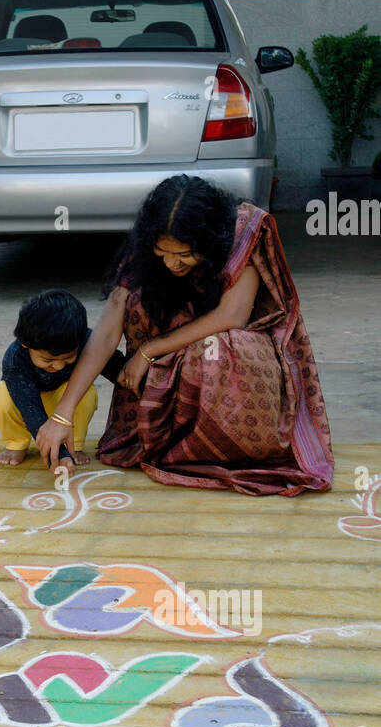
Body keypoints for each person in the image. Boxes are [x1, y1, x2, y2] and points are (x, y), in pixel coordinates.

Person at [35, 176, 334, 496]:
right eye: (163, 251)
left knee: (217, 348)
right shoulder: (145, 249)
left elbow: (231, 316)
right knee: (133, 298)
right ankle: (164, 436)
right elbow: (107, 333)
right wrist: (62, 415)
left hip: (227, 376)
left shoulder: (242, 234)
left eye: (184, 254)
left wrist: (149, 351)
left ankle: (212, 446)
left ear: (209, 243)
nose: (171, 262)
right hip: (156, 379)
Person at [0, 289, 125, 470]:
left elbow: (117, 368)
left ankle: (73, 445)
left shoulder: (86, 341)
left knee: (87, 393)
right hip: (27, 406)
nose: (59, 366)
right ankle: (16, 443)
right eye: (48, 360)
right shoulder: (15, 360)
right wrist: (60, 455)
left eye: (68, 358)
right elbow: (32, 413)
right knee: (0, 396)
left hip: (64, 406)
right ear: (25, 344)